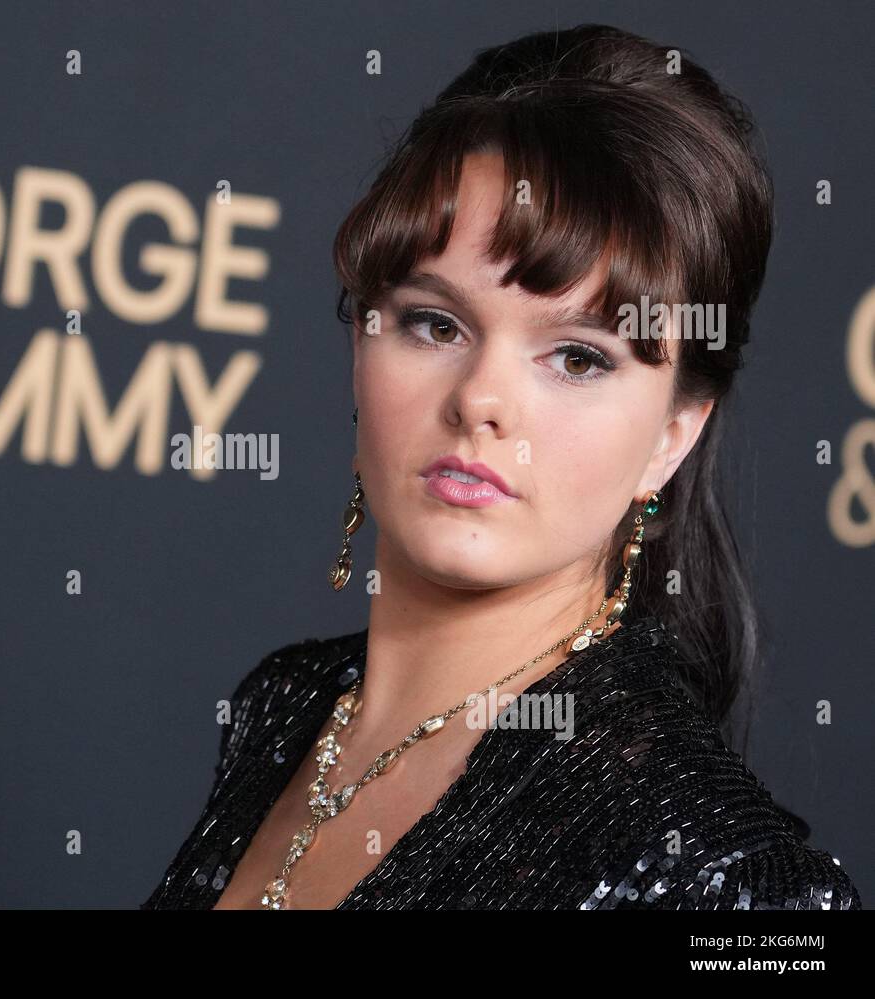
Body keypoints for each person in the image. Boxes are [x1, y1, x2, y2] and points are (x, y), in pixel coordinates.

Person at [141, 23, 862, 910]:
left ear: (674, 436)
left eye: (578, 358)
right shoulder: (286, 709)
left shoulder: (726, 879)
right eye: (435, 324)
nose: (481, 400)